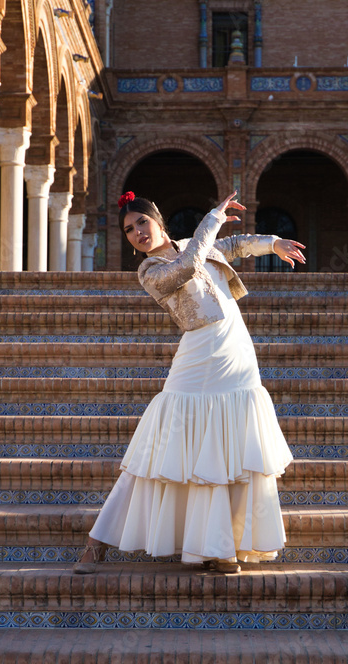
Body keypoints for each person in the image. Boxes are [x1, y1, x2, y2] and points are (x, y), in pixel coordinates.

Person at [73, 190, 307, 574]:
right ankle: (97, 542)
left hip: (237, 353)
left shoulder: (192, 243)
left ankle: (220, 548)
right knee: (159, 450)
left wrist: (272, 243)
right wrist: (209, 220)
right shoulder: (149, 272)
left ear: (158, 220)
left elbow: (232, 245)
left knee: (230, 451)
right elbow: (189, 265)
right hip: (198, 359)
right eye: (129, 230)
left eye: (142, 223)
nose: (137, 232)